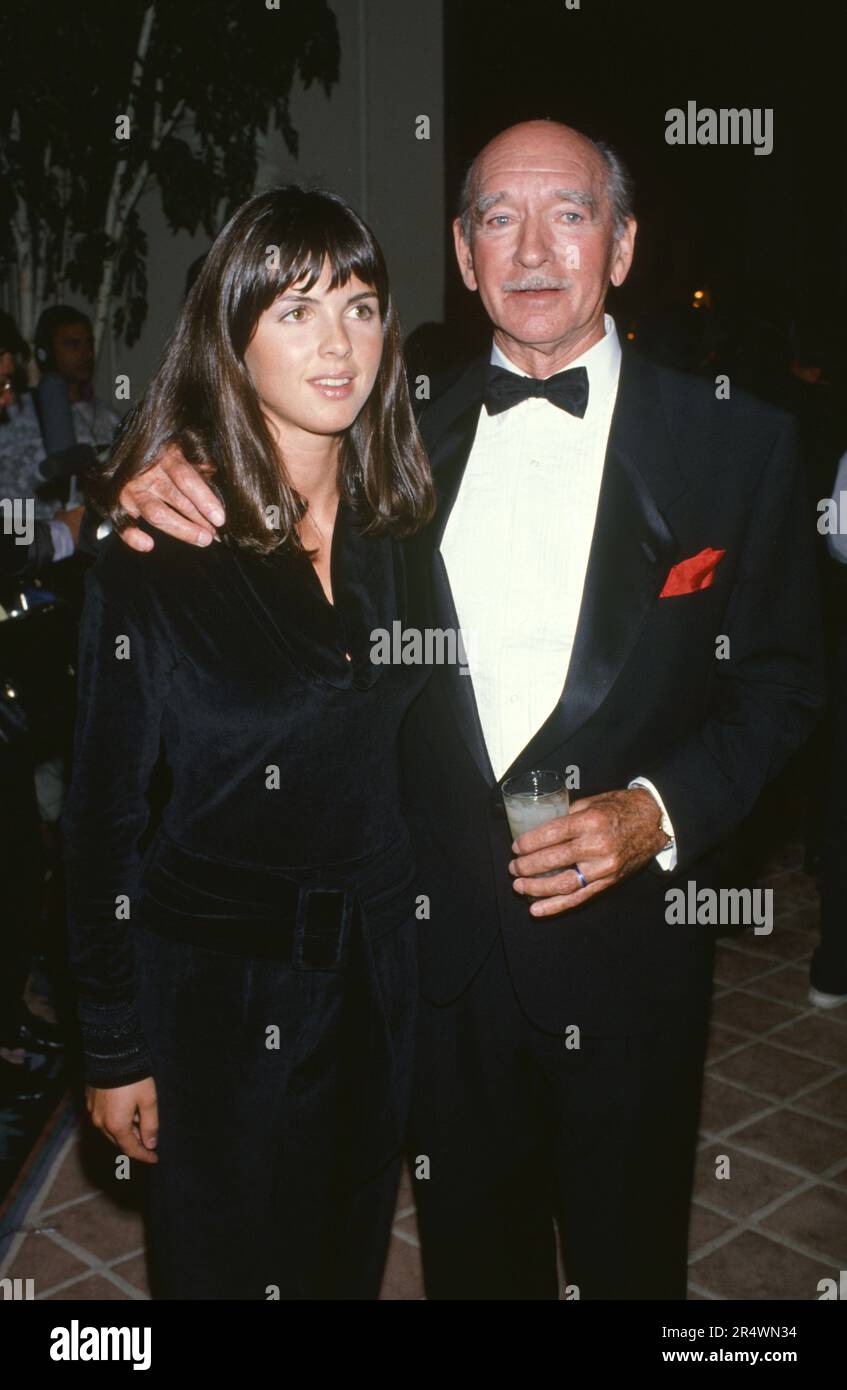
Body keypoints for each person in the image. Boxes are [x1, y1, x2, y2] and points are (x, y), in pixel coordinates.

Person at [113, 121, 825, 1301]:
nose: (534, 249)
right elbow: (256, 439)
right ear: (461, 247)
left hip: (627, 955)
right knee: (469, 1266)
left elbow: (785, 682)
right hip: (429, 956)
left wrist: (655, 812)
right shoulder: (394, 428)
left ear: (625, 243)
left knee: (627, 1259)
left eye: (570, 214)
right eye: (500, 217)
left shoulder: (739, 445)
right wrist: (152, 476)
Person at [61, 185, 435, 1300]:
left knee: (341, 1261)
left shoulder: (401, 526)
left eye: (362, 307)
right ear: (232, 334)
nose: (339, 343)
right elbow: (99, 819)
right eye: (297, 310)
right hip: (217, 997)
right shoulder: (156, 549)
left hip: (374, 978)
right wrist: (114, 1040)